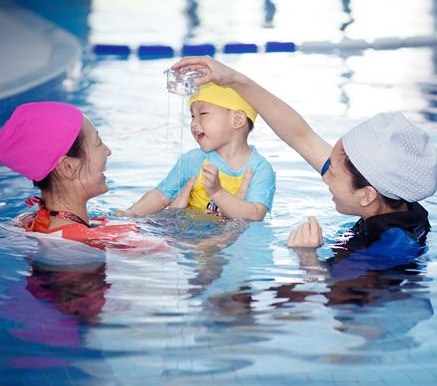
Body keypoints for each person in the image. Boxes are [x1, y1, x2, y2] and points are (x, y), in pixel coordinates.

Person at [171, 56, 437, 253]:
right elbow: (303, 137)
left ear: (367, 194)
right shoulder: (392, 198)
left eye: (331, 171)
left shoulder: (391, 247)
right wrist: (233, 79)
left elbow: (346, 310)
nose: (324, 176)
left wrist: (308, 259)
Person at [0, 101, 175, 250]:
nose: (108, 151)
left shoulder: (24, 222)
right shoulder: (103, 241)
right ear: (68, 167)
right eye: (98, 143)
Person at [124, 82, 276, 221]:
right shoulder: (192, 160)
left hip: (231, 245)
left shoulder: (260, 169)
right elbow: (160, 196)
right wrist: (129, 214)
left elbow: (256, 213)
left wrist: (217, 192)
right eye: (192, 116)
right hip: (188, 238)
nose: (194, 123)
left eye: (202, 114)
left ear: (237, 119)